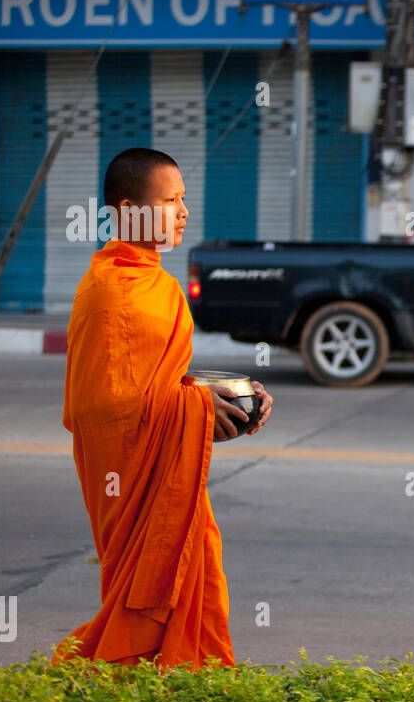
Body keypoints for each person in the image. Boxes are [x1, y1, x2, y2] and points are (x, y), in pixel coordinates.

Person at [54, 148, 271, 671]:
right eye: (171, 200)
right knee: (142, 589)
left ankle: (185, 685)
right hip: (124, 475)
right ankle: (113, 676)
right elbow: (99, 403)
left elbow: (161, 380)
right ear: (129, 210)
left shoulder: (162, 285)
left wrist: (228, 400)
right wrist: (194, 405)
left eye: (183, 199)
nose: (183, 212)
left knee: (200, 570)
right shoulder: (106, 289)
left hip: (170, 466)